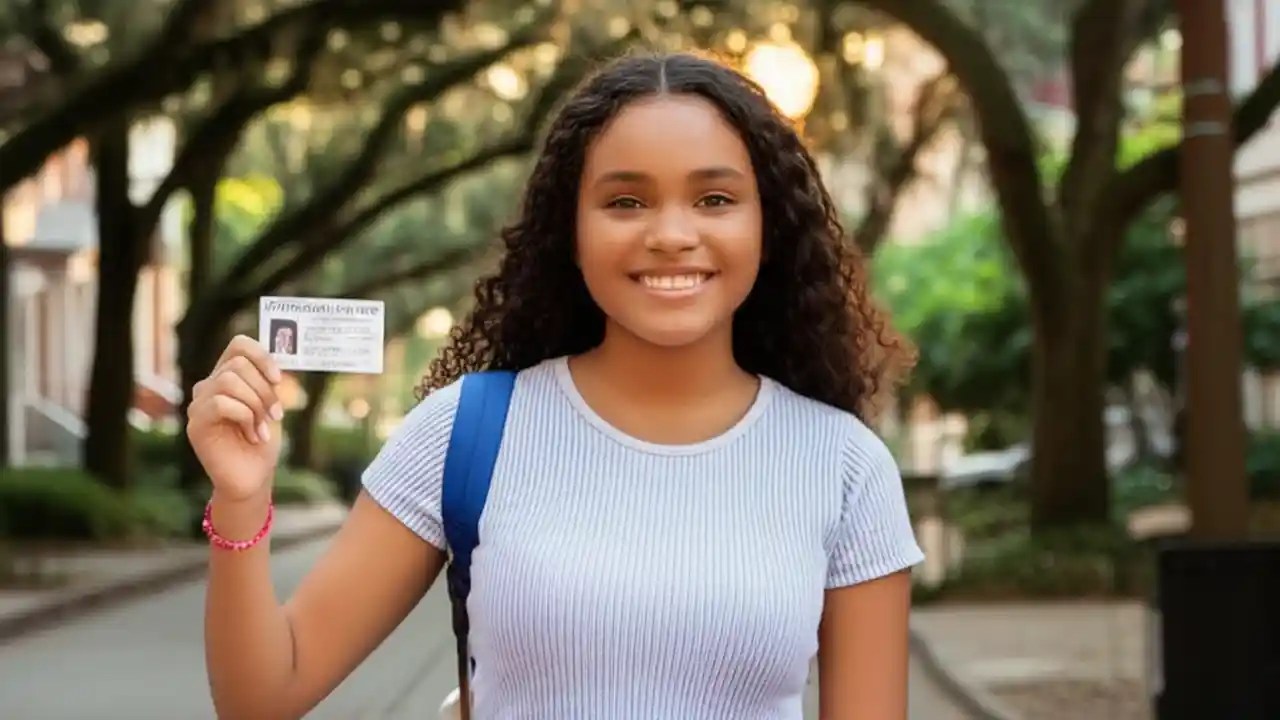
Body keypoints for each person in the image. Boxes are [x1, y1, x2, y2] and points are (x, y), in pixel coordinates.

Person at [190, 50, 923, 719]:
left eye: (714, 200)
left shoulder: (843, 467)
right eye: (625, 202)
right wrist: (241, 496)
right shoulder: (466, 433)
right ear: (569, 232)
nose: (670, 233)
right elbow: (262, 697)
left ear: (768, 229)